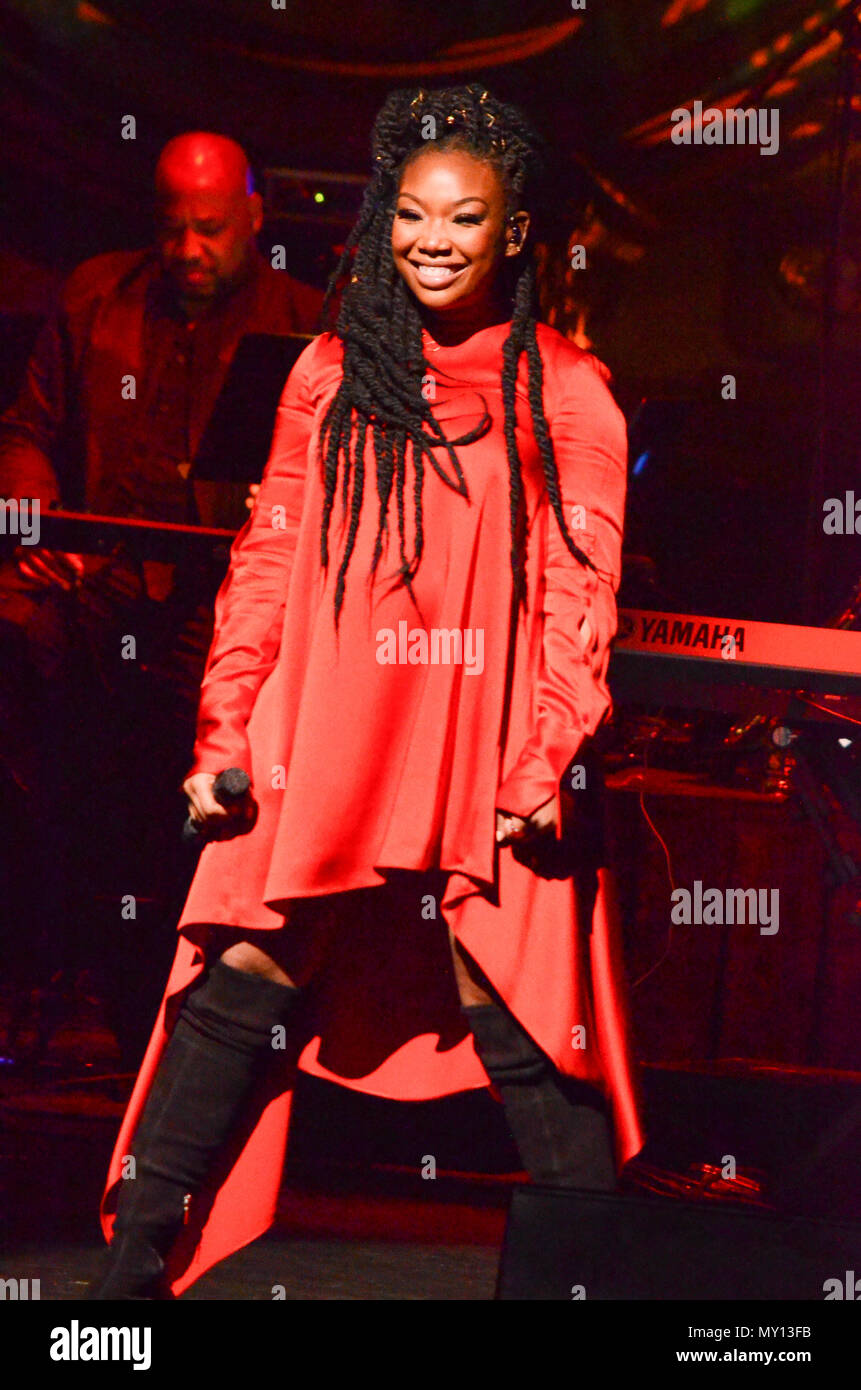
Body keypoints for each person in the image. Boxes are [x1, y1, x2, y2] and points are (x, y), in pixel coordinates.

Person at [92, 85, 643, 1300]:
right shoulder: (328, 376)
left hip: (477, 744)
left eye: (464, 216)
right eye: (411, 213)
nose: (433, 237)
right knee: (232, 985)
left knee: (518, 1009)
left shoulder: (567, 391)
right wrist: (227, 726)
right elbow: (269, 558)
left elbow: (578, 593)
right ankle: (117, 1305)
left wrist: (540, 765)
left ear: (514, 233)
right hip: (322, 736)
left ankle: (588, 1290)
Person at [0, 133, 321, 1048]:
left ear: (254, 218)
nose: (187, 249)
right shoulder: (96, 293)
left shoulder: (303, 320)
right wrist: (35, 506)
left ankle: (168, 995)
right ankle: (41, 961)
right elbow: (27, 425)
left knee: (183, 774)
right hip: (94, 582)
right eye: (171, 227)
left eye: (211, 230)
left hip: (218, 600)